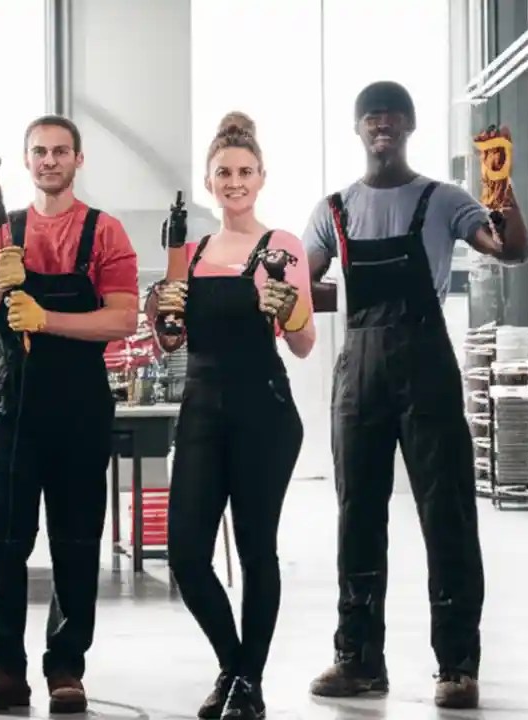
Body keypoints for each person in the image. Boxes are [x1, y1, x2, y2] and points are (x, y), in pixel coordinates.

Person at [302, 81, 528, 710]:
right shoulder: (332, 209)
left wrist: (502, 192)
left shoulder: (446, 199)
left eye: (395, 117)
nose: (384, 126)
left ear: (410, 126)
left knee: (447, 516)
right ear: (358, 128)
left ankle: (457, 666)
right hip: (358, 375)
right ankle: (358, 661)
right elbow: (302, 282)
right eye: (372, 117)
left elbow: (509, 249)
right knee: (357, 519)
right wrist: (268, 287)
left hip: (427, 371)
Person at [0, 114, 140, 715]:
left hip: (80, 404)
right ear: (26, 160)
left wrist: (48, 319)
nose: (50, 161)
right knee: (2, 540)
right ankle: (3, 668)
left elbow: (122, 319)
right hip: (12, 405)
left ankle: (66, 668)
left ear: (78, 160)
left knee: (77, 538)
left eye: (62, 151)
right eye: (39, 152)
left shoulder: (104, 233)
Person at [149, 112, 316, 720]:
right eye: (224, 172)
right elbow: (171, 339)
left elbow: (302, 344)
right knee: (186, 554)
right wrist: (160, 312)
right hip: (200, 409)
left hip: (263, 413)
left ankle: (248, 685)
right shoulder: (189, 253)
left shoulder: (283, 247)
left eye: (245, 171)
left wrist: (292, 308)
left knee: (255, 550)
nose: (235, 181)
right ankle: (235, 665)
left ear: (262, 177)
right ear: (208, 180)